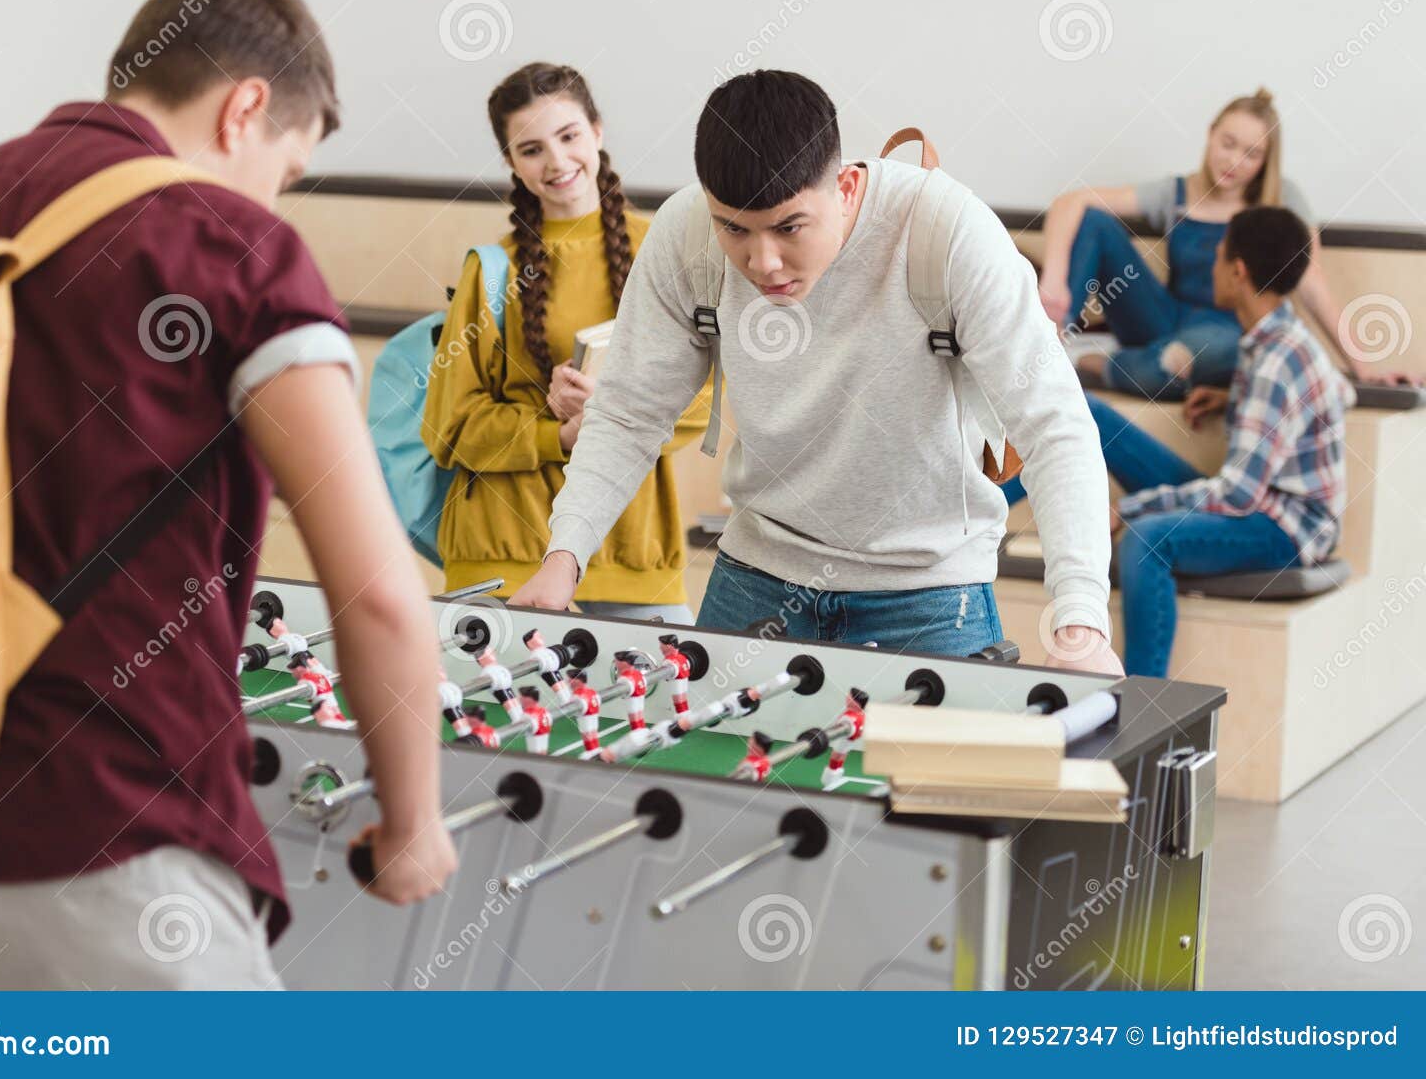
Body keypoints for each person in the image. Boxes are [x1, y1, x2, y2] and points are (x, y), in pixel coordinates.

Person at [0, 0, 454, 990]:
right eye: (287, 171)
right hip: (99, 829)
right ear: (246, 108)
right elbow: (379, 593)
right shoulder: (234, 250)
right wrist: (415, 827)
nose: (275, 197)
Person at [513, 70, 1120, 673]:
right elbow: (627, 412)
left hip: (929, 598)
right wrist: (562, 557)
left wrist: (1082, 621)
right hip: (755, 579)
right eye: (734, 229)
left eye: (789, 227)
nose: (763, 261)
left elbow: (1054, 427)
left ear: (848, 187)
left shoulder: (948, 232)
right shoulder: (685, 234)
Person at [423, 63, 712, 623]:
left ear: (597, 132)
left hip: (631, 551)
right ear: (511, 162)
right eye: (531, 149)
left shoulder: (664, 248)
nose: (555, 161)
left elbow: (705, 403)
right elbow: (447, 427)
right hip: (500, 554)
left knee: (655, 708)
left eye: (569, 135)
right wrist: (557, 432)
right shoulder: (492, 269)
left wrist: (611, 408)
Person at [1036, 89, 1415, 395]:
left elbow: (1313, 285)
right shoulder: (1177, 192)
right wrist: (1053, 284)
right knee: (1093, 220)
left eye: (1251, 154)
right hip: (1165, 318)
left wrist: (1363, 369)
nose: (1234, 161)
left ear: (1266, 161)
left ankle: (1086, 360)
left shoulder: (1280, 202)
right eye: (1228, 143)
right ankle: (1045, 344)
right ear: (1210, 135)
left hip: (1226, 336)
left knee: (1169, 364)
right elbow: (1073, 201)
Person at [1103, 207, 1349, 677]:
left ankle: (1142, 710)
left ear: (1238, 272)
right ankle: (985, 520)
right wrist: (1235, 397)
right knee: (1094, 419)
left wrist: (1131, 509)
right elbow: (1339, 390)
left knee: (1147, 540)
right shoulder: (1274, 342)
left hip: (1288, 528)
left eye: (1218, 258)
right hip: (1257, 499)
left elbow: (1236, 495)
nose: (1211, 268)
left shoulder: (1278, 362)